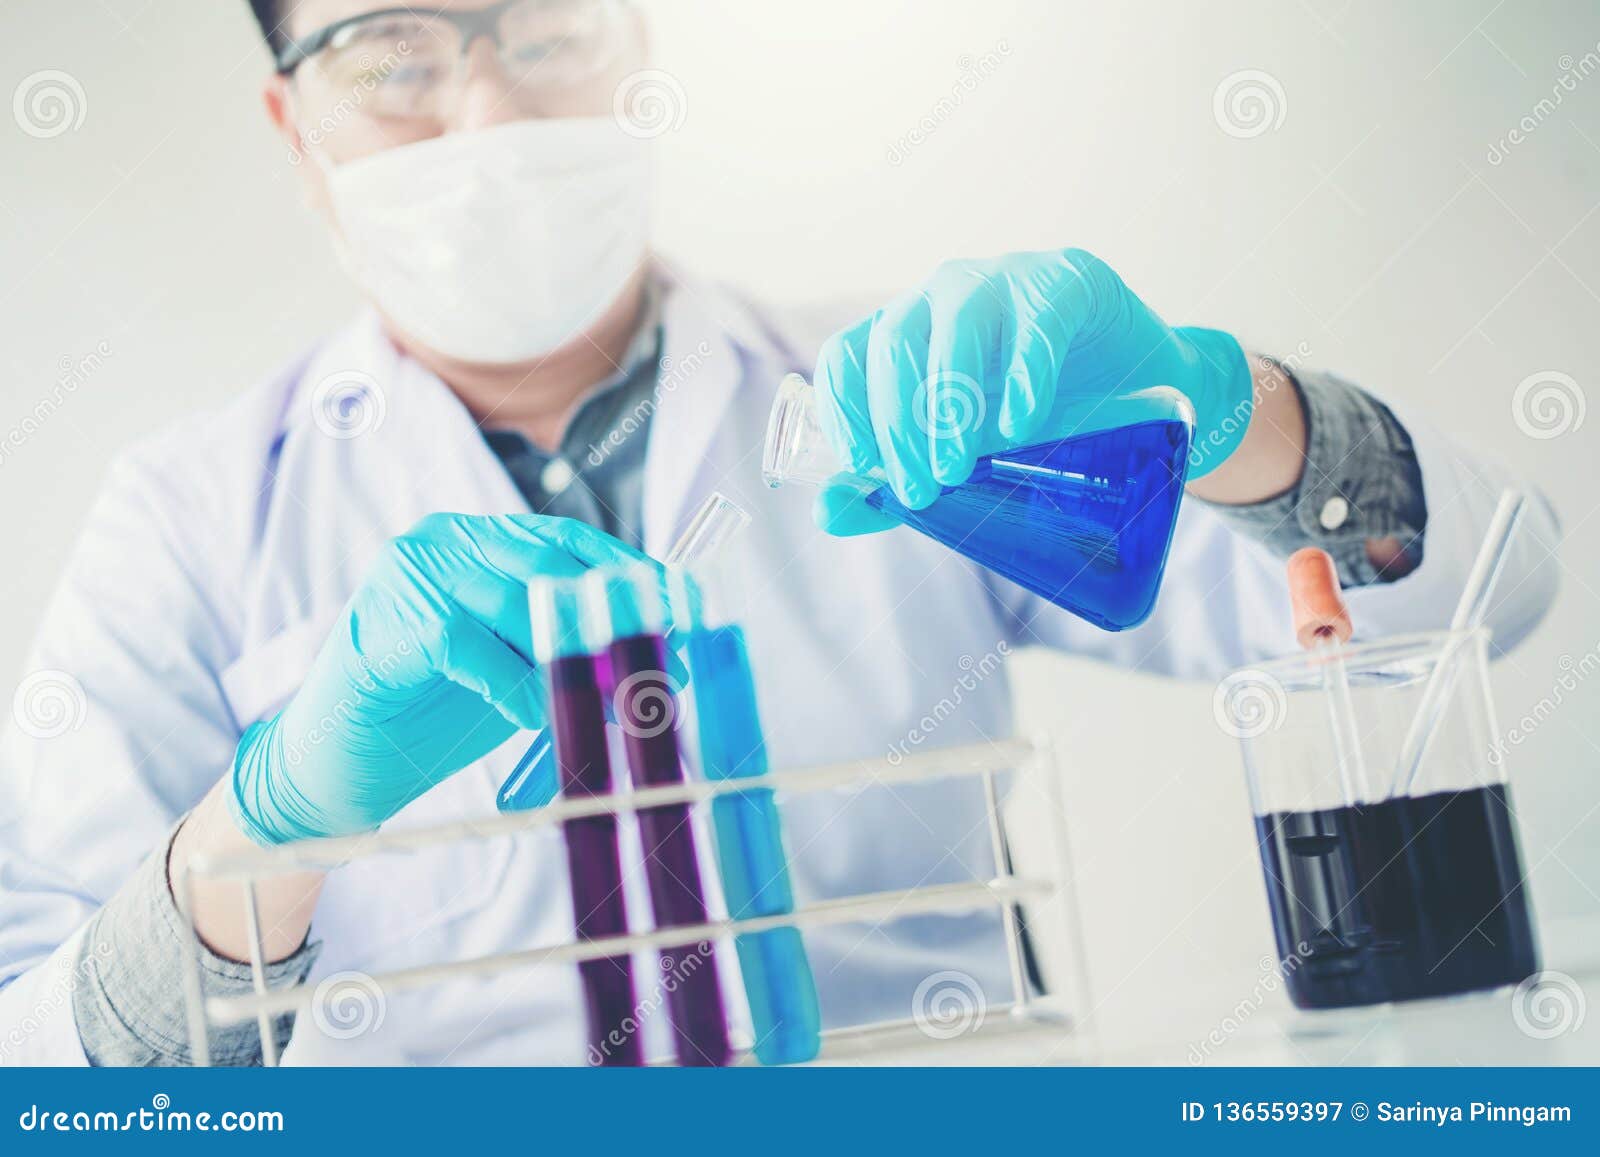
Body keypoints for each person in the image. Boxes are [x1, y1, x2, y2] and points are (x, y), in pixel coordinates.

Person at [0, 0, 1558, 1066]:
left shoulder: (915, 403)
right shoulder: (193, 518)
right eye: (387, 53)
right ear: (292, 124)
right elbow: (40, 1066)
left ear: (635, 51)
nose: (488, 108)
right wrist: (257, 835)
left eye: (545, 29)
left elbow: (1484, 600)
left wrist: (1230, 418)